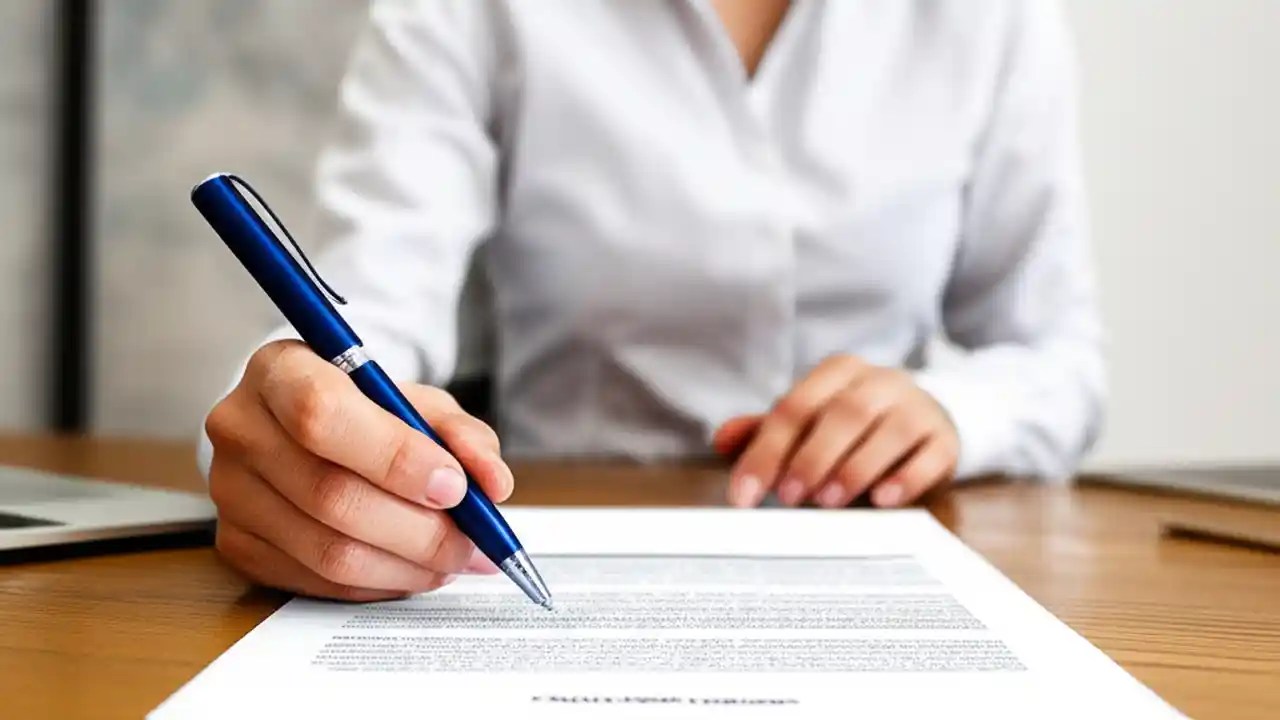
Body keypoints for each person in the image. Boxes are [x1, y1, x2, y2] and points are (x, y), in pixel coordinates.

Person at [200, 0, 1104, 601]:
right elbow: (372, 300)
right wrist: (304, 422)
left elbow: (1057, 363)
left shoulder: (992, 17)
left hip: (880, 553)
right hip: (559, 517)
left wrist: (947, 410)